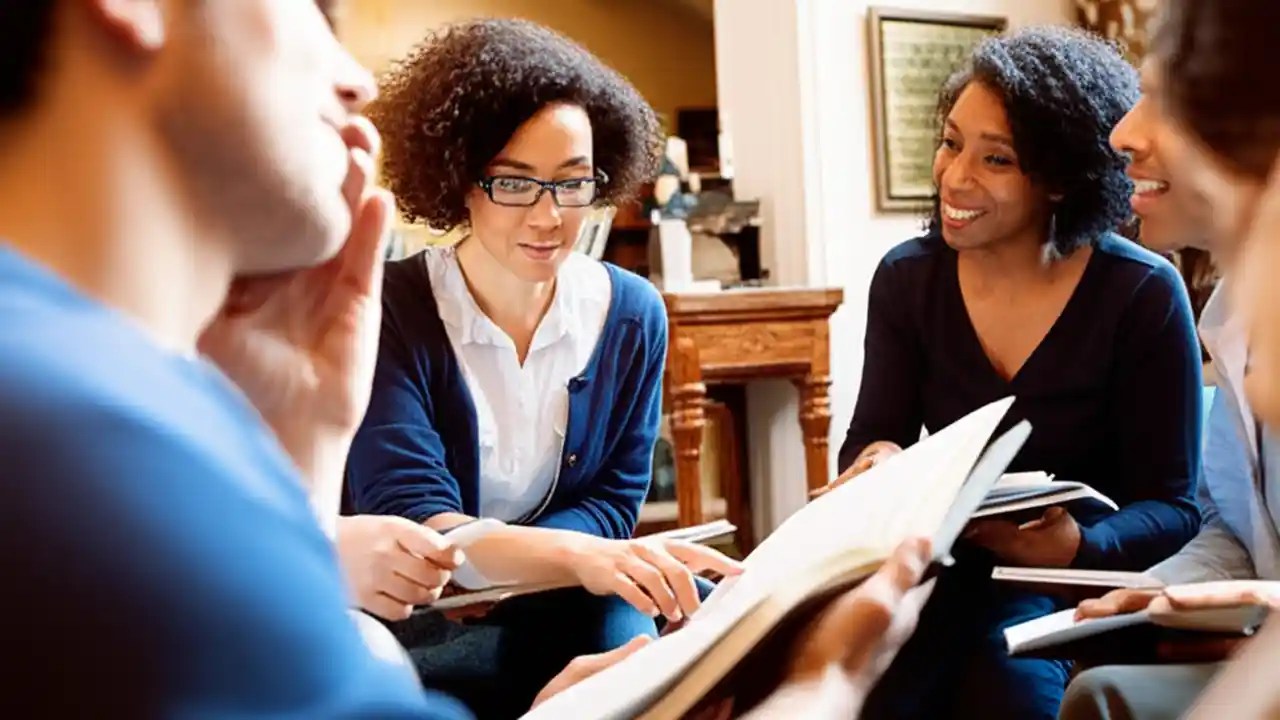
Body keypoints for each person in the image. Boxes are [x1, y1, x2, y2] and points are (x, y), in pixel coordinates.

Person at [0, 1, 936, 718]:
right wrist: (819, 688)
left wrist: (300, 470)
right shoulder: (79, 437)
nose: (352, 80)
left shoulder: (107, 395)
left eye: (573, 185)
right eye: (310, 10)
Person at [342, 18, 741, 717]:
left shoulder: (632, 314)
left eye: (572, 183)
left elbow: (614, 503)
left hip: (560, 599)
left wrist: (583, 562)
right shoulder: (392, 309)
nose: (549, 216)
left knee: (682, 635)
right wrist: (578, 558)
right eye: (515, 184)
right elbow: (413, 515)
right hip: (420, 618)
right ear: (461, 179)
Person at [825, 27, 1203, 720]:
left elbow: (1174, 505)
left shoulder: (1142, 293)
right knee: (856, 692)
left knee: (1009, 695)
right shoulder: (907, 279)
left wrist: (1079, 543)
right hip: (932, 574)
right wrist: (877, 462)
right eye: (950, 142)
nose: (955, 176)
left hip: (1062, 583)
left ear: (1060, 177)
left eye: (995, 158)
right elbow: (875, 435)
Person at [1055, 2, 1280, 718]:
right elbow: (1237, 533)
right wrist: (1166, 589)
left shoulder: (1149, 291)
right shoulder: (1228, 317)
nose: (1123, 132)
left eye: (1159, 97)